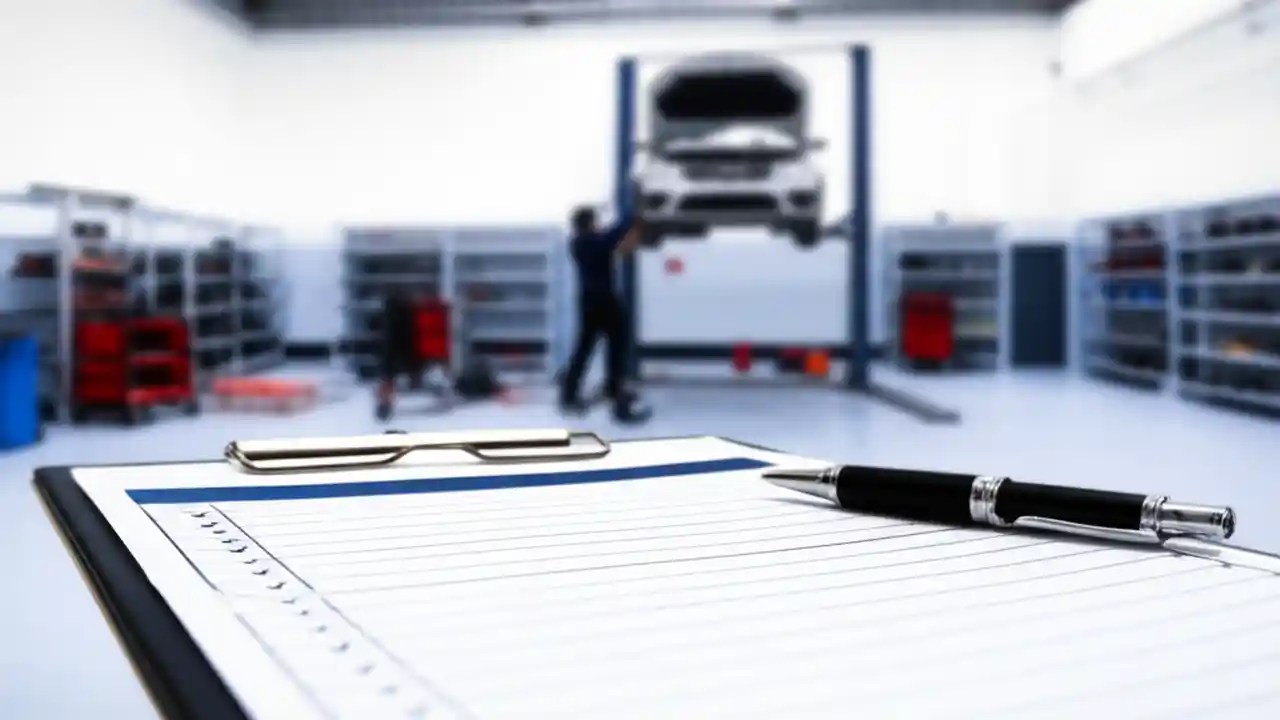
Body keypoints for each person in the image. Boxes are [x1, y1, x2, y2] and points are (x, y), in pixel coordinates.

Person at [560, 205, 652, 423]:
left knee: (587, 350)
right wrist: (631, 216)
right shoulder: (585, 242)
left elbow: (611, 241)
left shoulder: (580, 242)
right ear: (588, 222)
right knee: (611, 350)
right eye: (595, 220)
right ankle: (615, 398)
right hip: (603, 303)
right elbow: (610, 238)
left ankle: (572, 395)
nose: (597, 224)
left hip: (592, 303)